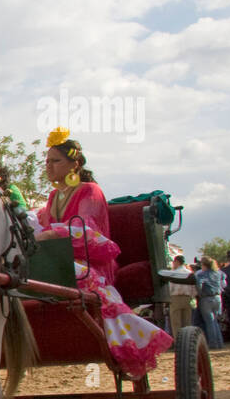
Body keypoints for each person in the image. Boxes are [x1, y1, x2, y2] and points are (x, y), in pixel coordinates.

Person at [34, 128, 173, 379]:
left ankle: (125, 340)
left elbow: (87, 227)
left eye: (55, 161)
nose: (49, 166)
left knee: (78, 273)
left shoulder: (90, 190)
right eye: (47, 161)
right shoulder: (53, 196)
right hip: (58, 260)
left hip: (91, 262)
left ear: (74, 164)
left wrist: (52, 233)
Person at [194, 256, 226, 349]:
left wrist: (199, 294)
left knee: (209, 322)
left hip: (206, 299)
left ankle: (213, 343)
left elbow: (199, 285)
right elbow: (224, 283)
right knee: (215, 321)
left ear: (203, 265)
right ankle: (220, 342)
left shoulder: (202, 274)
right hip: (217, 298)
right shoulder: (219, 273)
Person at [164, 254, 196, 337]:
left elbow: (170, 288)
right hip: (188, 298)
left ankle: (179, 342)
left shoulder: (173, 273)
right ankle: (187, 340)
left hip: (175, 298)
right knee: (187, 322)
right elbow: (194, 288)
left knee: (176, 323)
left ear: (177, 262)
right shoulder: (190, 273)